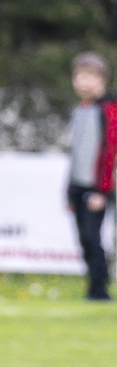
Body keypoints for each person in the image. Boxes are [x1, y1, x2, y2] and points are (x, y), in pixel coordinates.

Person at [66, 52, 116, 301]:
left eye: (89, 76)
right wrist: (69, 190)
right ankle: (94, 287)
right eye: (78, 76)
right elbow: (76, 153)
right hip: (79, 185)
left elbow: (110, 150)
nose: (82, 82)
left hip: (98, 187)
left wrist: (102, 190)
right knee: (85, 240)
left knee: (92, 237)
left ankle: (100, 289)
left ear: (102, 79)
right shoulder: (80, 110)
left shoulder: (109, 109)